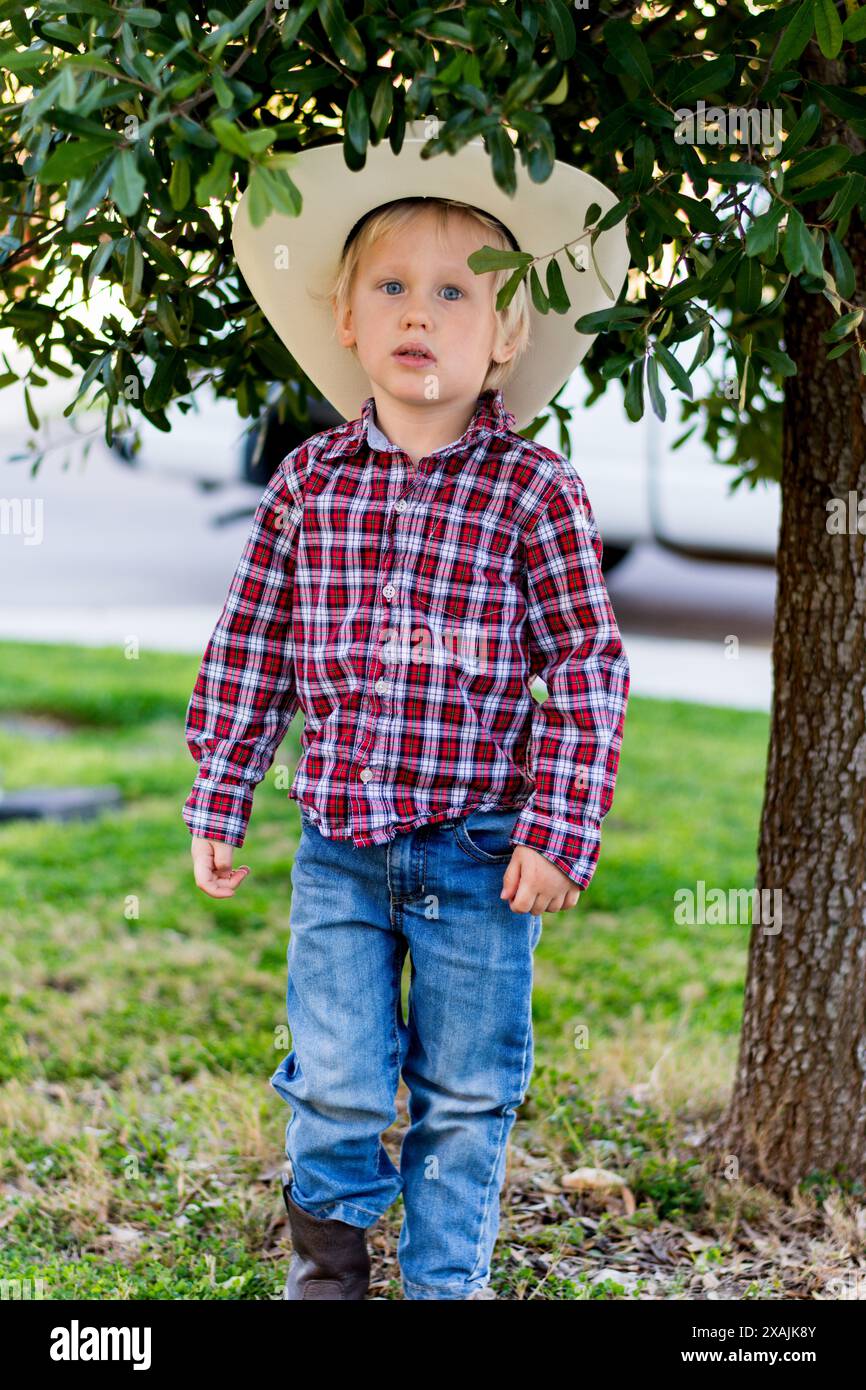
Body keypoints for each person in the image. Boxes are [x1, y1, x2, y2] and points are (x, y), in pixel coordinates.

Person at [182, 122, 631, 1300]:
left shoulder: (534, 493)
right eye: (391, 286)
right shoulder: (308, 484)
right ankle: (328, 1274)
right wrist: (219, 793)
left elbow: (585, 664)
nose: (418, 312)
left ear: (506, 333)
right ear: (348, 316)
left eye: (453, 292)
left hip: (481, 849)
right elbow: (252, 649)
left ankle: (445, 1283)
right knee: (333, 1076)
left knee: (466, 1087)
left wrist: (559, 824)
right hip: (337, 846)